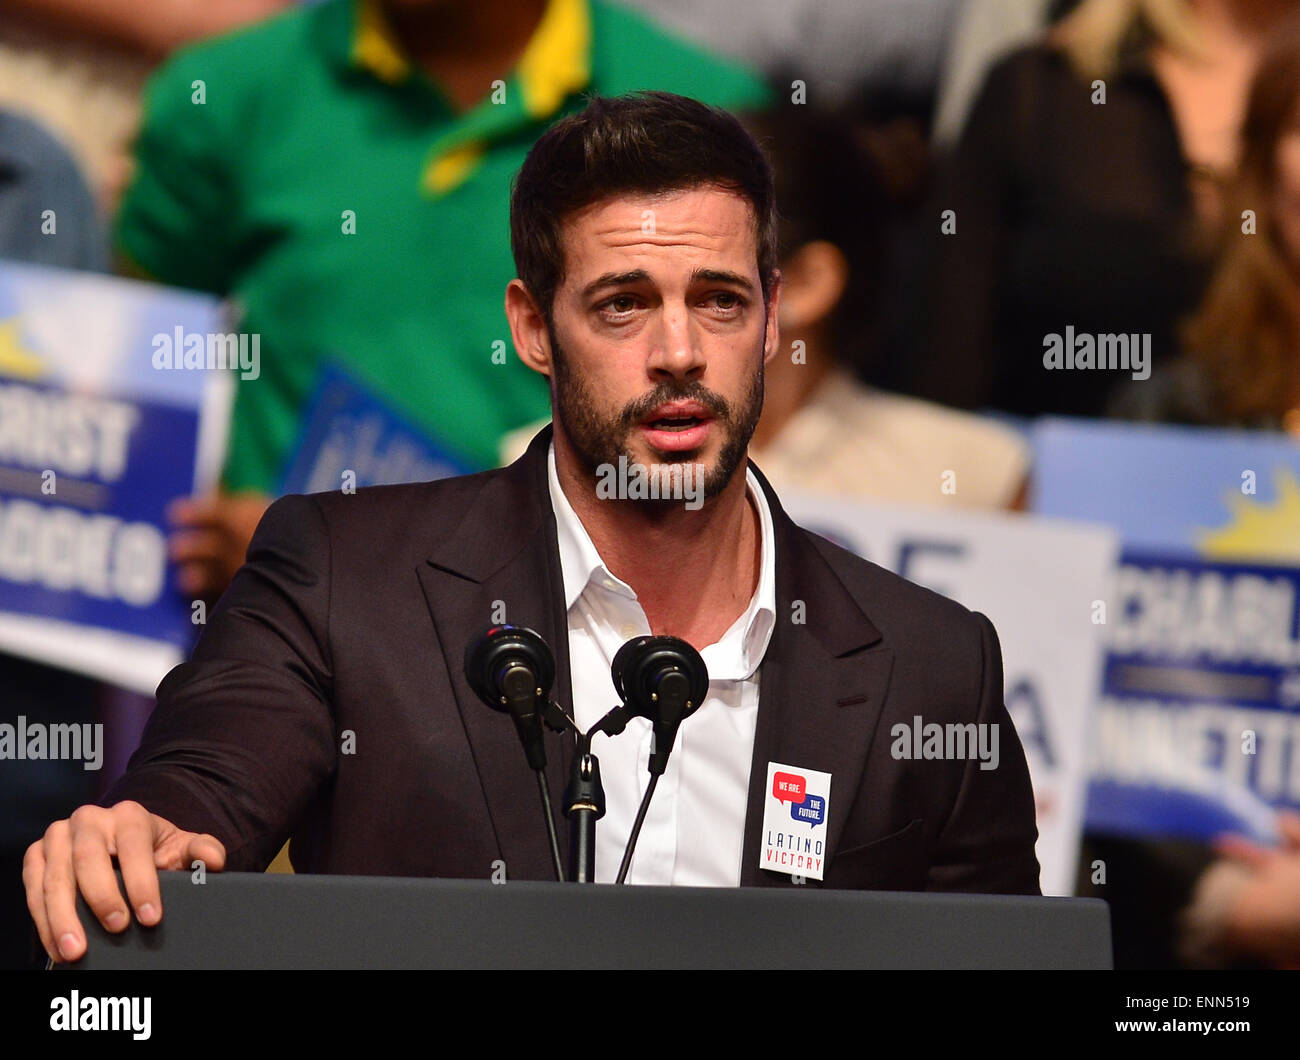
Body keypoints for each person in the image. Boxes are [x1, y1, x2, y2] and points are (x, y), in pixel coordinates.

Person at [24, 92, 1041, 965]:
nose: (679, 351)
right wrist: (139, 832)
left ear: (772, 320)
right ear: (530, 327)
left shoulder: (931, 663)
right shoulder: (343, 576)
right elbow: (205, 783)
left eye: (720, 301)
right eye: (622, 306)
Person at [115, 0, 771, 602]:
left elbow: (744, 424)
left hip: (586, 632)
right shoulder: (223, 93)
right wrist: (206, 526)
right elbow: (137, 365)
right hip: (266, 630)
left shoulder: (716, 114)